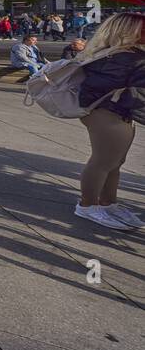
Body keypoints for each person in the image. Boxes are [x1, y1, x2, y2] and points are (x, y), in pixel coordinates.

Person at [74, 12, 145, 229]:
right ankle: (87, 206)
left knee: (112, 162)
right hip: (111, 113)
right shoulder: (131, 58)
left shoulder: (107, 54)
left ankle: (107, 203)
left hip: (105, 112)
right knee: (104, 162)